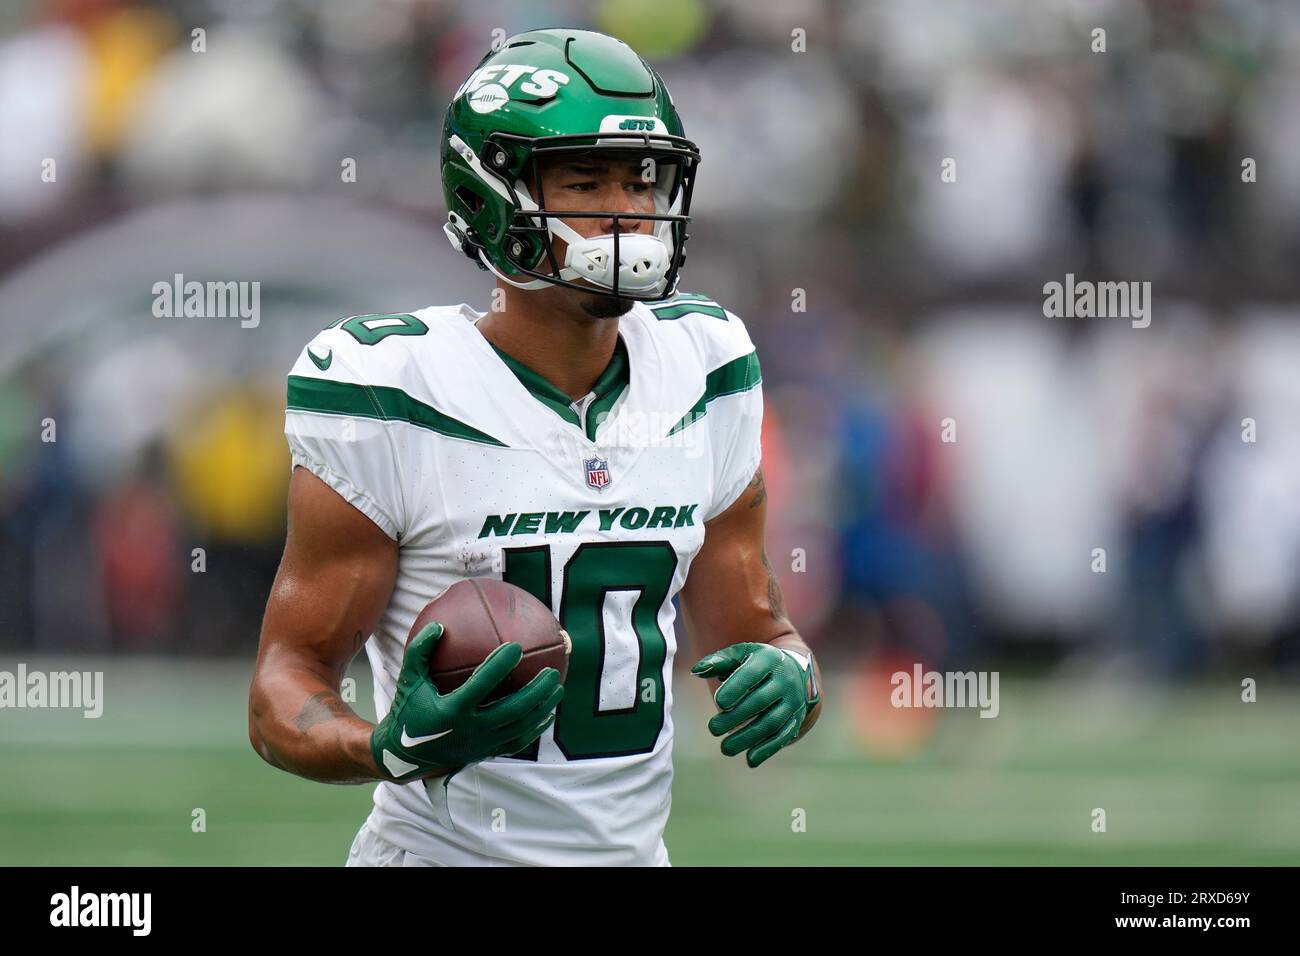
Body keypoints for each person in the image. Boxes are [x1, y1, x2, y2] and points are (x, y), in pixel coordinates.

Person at [248, 27, 822, 866]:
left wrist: (793, 674)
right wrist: (389, 747)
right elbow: (282, 686)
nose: (628, 211)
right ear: (490, 197)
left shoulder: (706, 363)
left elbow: (761, 633)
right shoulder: (393, 388)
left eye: (642, 179)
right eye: (587, 182)